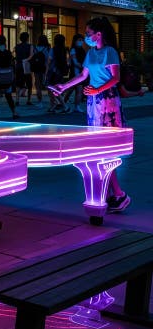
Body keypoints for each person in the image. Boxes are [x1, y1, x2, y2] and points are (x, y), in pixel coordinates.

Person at [52, 17, 130, 213]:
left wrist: (97, 90)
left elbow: (116, 78)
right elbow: (83, 76)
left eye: (88, 33)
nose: (86, 36)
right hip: (94, 103)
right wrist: (64, 87)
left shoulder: (110, 52)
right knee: (100, 149)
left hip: (108, 102)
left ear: (98, 34)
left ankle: (118, 194)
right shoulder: (91, 53)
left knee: (106, 149)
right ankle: (116, 195)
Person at [0, 35, 19, 120]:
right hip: (7, 78)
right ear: (5, 42)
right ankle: (14, 112)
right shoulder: (8, 53)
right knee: (8, 96)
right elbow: (12, 64)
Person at [63, 34, 86, 113]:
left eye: (82, 40)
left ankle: (76, 106)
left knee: (77, 90)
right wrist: (82, 66)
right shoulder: (73, 49)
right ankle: (64, 104)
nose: (81, 42)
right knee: (71, 90)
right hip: (75, 72)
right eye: (79, 40)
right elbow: (74, 61)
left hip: (81, 72)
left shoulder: (82, 50)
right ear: (75, 41)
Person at [47, 34, 69, 113]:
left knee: (52, 89)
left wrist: (46, 72)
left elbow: (49, 62)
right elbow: (67, 61)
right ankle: (54, 106)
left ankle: (63, 105)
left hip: (53, 73)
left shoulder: (53, 50)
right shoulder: (64, 50)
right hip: (60, 72)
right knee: (57, 89)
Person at [13, 31, 33, 105]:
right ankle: (29, 100)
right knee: (29, 83)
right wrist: (26, 60)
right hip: (26, 66)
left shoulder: (17, 46)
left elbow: (15, 55)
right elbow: (31, 55)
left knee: (18, 83)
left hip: (18, 66)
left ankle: (17, 100)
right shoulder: (30, 46)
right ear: (27, 38)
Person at [31, 35, 50, 106]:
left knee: (38, 85)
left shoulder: (35, 48)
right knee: (48, 84)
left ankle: (40, 101)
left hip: (36, 68)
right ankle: (54, 100)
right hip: (44, 68)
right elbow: (48, 60)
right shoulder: (47, 48)